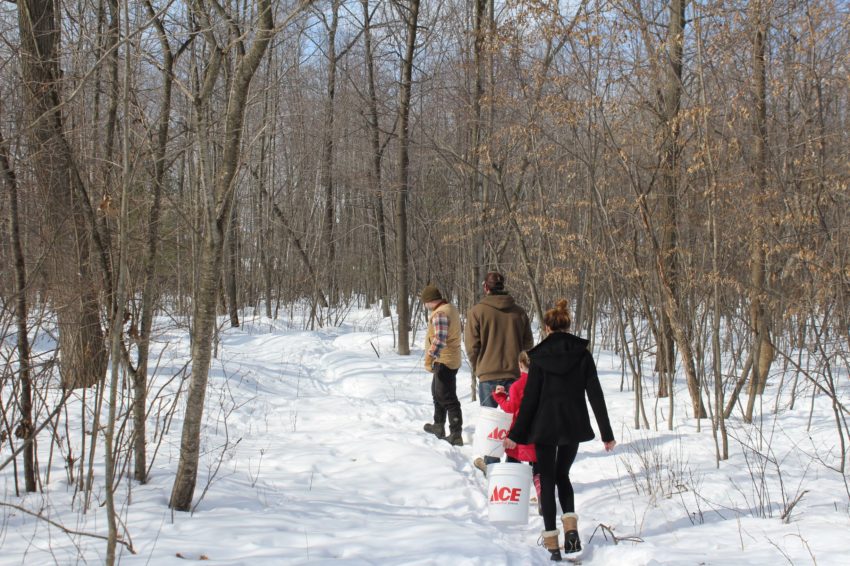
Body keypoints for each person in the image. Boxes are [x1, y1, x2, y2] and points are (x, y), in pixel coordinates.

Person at [504, 299, 616, 562]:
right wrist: (606, 433)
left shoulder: (539, 357)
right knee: (563, 475)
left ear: (546, 327)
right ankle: (572, 532)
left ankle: (553, 543)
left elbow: (530, 400)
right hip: (573, 425)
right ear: (568, 325)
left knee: (547, 477)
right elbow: (596, 395)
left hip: (544, 427)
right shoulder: (582, 354)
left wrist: (515, 436)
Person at [465, 271, 533, 472]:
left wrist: (480, 367)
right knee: (515, 422)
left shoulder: (477, 312)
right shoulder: (519, 312)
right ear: (503, 286)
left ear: (486, 287)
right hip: (515, 374)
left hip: (488, 375)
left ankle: (492, 467)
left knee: (492, 424)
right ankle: (513, 466)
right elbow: (528, 344)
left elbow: (471, 347)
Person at [492, 351, 541, 510]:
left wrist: (500, 397)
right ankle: (541, 491)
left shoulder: (516, 386)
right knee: (537, 465)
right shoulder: (542, 383)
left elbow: (510, 409)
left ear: (520, 365)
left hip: (518, 434)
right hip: (538, 433)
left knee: (513, 462)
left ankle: (514, 496)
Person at [420, 284, 464, 446]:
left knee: (447, 397)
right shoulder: (448, 308)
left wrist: (429, 358)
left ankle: (456, 433)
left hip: (445, 359)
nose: (424, 306)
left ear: (430, 301)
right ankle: (438, 425)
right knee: (437, 393)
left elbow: (439, 339)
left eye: (425, 302)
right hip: (446, 359)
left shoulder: (440, 314)